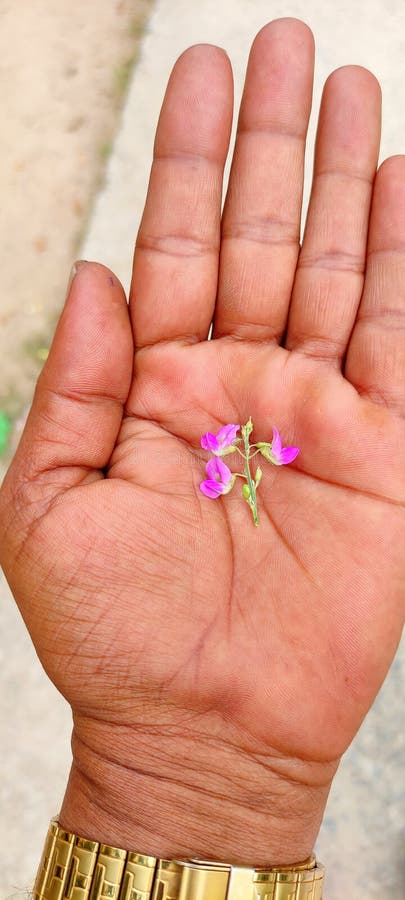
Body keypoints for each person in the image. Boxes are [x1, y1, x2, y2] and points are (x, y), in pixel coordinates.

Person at [0, 17, 404, 899]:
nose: (232, 469)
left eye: (230, 466)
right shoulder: (235, 467)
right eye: (228, 464)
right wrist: (193, 772)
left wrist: (188, 782)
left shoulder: (253, 463)